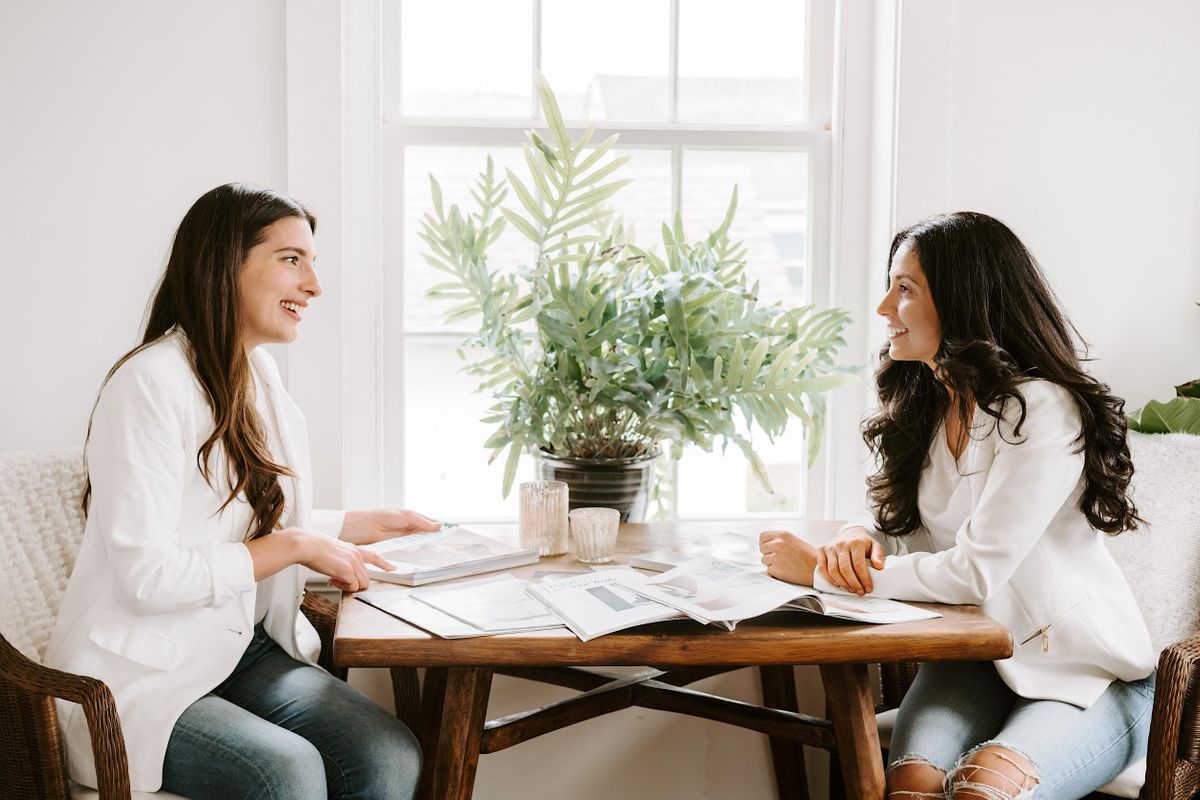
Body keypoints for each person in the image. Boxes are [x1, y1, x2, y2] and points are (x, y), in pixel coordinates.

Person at [46, 183, 438, 799]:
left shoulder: (256, 373)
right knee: (284, 773)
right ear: (223, 264)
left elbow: (224, 519)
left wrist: (351, 524)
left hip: (239, 649)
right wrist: (296, 546)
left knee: (386, 754)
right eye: (291, 259)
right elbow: (146, 577)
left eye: (312, 262)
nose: (314, 285)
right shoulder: (148, 384)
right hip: (142, 670)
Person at [758, 212, 1156, 799]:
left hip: (1088, 674)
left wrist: (821, 570)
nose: (883, 308)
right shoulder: (929, 403)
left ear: (963, 299)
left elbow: (975, 572)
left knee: (981, 791)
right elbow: (893, 519)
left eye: (904, 289)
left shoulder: (1041, 409)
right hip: (974, 662)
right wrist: (853, 538)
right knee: (911, 786)